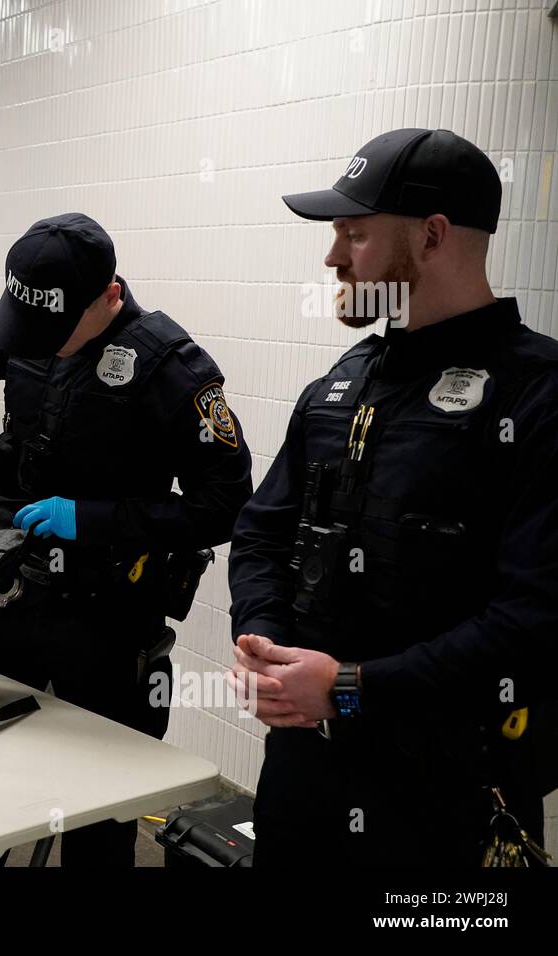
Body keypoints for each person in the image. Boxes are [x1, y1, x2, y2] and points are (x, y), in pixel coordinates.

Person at [0, 213, 253, 865]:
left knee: (98, 823)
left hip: (106, 623)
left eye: (55, 334)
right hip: (10, 599)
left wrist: (95, 518)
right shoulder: (25, 325)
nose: (39, 345)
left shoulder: (171, 366)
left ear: (108, 296)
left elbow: (226, 504)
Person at [227, 128, 558, 866]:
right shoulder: (347, 381)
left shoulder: (537, 396)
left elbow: (535, 620)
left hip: (448, 798)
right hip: (307, 776)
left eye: (354, 234)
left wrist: (350, 688)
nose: (333, 257)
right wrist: (264, 644)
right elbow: (261, 532)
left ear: (432, 236)